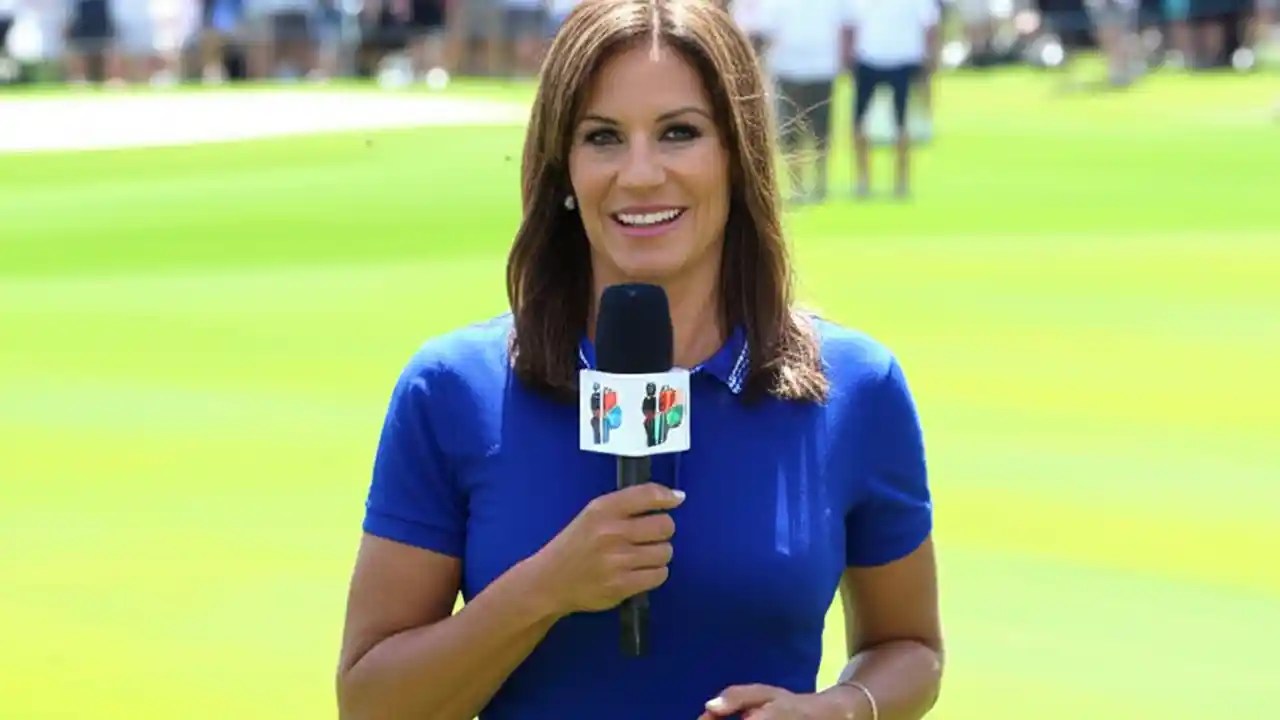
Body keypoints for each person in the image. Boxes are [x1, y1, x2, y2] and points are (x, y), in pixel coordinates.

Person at [336, 2, 944, 719]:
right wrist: (543, 590)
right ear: (563, 167)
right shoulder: (450, 391)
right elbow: (370, 704)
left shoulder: (855, 389)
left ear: (737, 155)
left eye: (679, 133)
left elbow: (912, 648)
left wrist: (840, 708)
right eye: (602, 138)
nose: (641, 173)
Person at [844, 0, 939, 199]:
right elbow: (850, 25)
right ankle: (863, 181)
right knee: (858, 123)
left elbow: (930, 25)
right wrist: (848, 57)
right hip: (868, 59)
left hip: (903, 60)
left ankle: (901, 182)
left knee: (901, 125)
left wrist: (930, 58)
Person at [759, 0, 847, 205]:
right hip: (788, 70)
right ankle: (797, 184)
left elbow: (844, 27)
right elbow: (767, 33)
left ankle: (820, 183)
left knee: (821, 131)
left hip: (822, 69)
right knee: (790, 132)